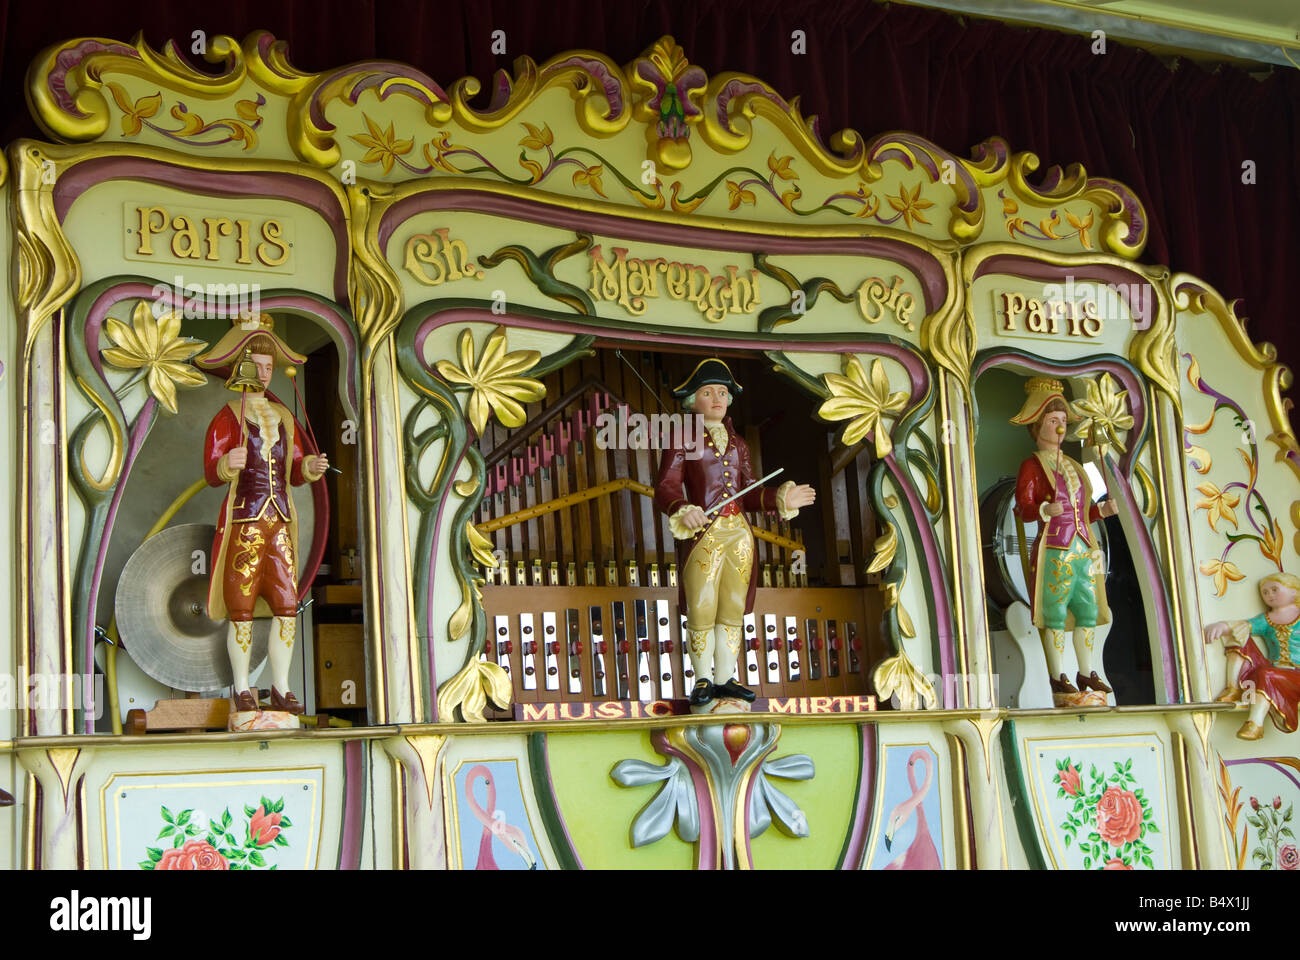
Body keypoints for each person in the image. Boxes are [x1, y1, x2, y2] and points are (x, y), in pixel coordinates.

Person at [654, 359, 816, 708]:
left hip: (738, 533)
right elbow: (666, 484)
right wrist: (683, 507)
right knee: (702, 605)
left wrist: (779, 497)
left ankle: (725, 677)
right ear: (691, 400)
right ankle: (702, 678)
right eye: (708, 392)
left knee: (732, 606)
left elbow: (750, 491)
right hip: (705, 534)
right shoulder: (683, 438)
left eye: (723, 392)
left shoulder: (739, 443)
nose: (717, 398)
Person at [194, 314, 329, 715]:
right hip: (245, 518)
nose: (265, 375)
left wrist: (309, 469)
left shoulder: (285, 418)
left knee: (287, 602)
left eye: (270, 368)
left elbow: (295, 468)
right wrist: (226, 465)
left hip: (280, 521)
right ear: (239, 368)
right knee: (242, 605)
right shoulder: (227, 416)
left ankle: (281, 685)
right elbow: (212, 470)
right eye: (257, 366)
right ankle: (242, 686)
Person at [1011, 377, 1118, 699]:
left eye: (1061, 421)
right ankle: (1058, 677)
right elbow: (1023, 508)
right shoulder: (1032, 464)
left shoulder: (1075, 465)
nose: (1059, 427)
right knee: (1055, 613)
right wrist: (1045, 507)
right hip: (1055, 547)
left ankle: (1086, 673)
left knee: (1087, 610)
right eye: (1052, 420)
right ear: (1036, 425)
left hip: (1083, 546)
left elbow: (1082, 511)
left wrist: (1101, 511)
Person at [1204, 572, 1300, 741]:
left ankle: (1255, 723)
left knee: (1266, 674)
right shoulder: (1267, 620)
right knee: (1239, 633)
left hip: (1296, 675)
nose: (1269, 595)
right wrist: (1222, 626)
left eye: (1274, 590)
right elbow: (1245, 625)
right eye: (1265, 592)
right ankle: (1232, 687)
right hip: (1276, 671)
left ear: (1294, 591)